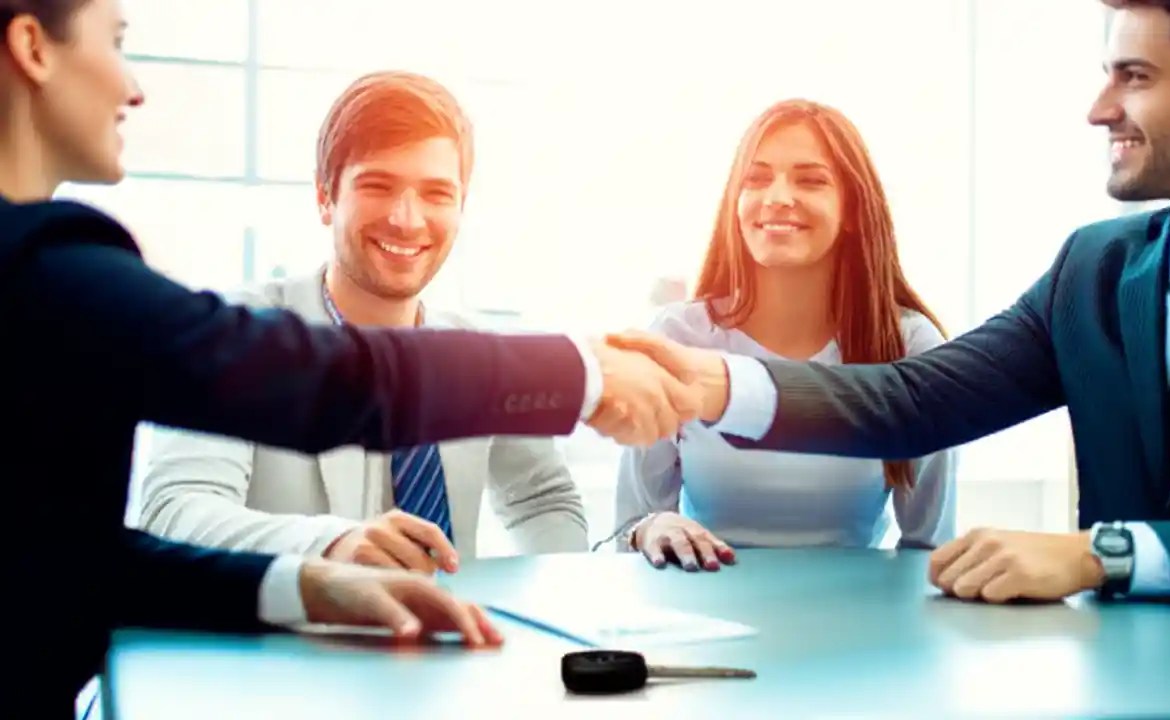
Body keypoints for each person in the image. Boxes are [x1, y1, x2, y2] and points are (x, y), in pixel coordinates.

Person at [0, 0, 696, 714]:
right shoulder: (47, 267)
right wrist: (575, 373)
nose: (135, 88)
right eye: (115, 42)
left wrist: (311, 586)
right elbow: (322, 382)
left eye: (435, 193)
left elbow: (67, 559)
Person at [615, 0, 1170, 602]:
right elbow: (913, 402)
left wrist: (1107, 553)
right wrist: (715, 383)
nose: (1099, 108)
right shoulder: (1094, 272)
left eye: (1135, 76)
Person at [135, 72, 588, 570]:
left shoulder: (477, 352)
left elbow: (544, 500)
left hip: (453, 640)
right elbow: (174, 509)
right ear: (325, 197)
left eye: (436, 194)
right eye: (378, 185)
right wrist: (330, 546)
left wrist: (547, 613)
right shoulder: (238, 333)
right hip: (291, 640)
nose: (407, 219)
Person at [613, 99, 956, 570]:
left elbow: (929, 550)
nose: (776, 196)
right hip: (705, 615)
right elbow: (629, 529)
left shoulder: (911, 348)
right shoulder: (678, 336)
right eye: (755, 179)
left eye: (810, 180)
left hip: (855, 620)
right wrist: (650, 528)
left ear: (854, 209)